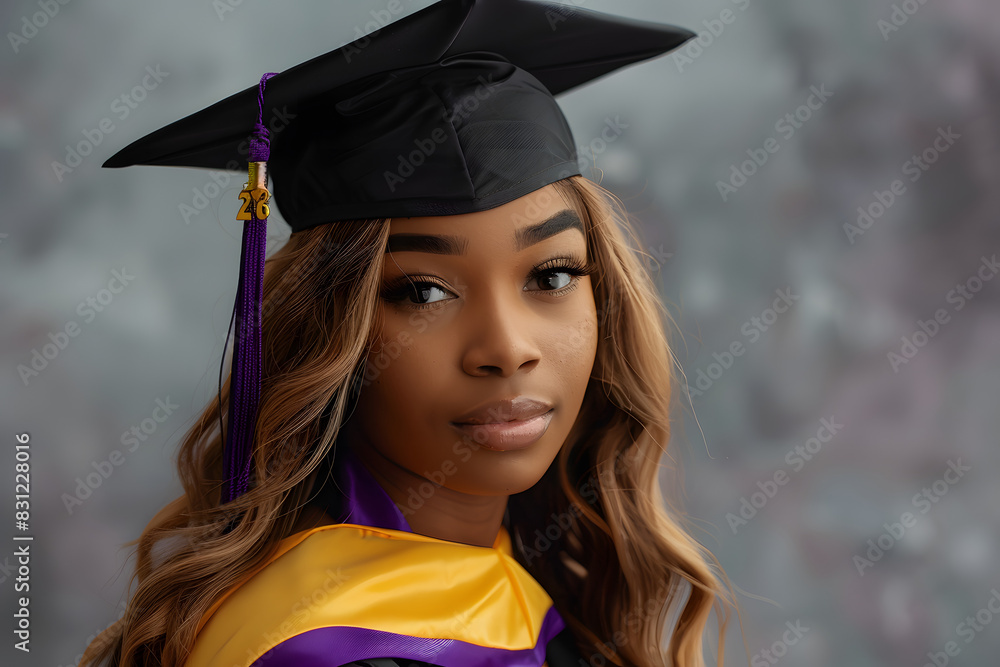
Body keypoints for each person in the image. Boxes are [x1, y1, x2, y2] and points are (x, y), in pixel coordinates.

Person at [82, 1, 744, 665]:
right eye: (423, 291)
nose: (508, 348)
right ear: (328, 332)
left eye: (551, 275)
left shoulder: (530, 576)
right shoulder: (321, 646)